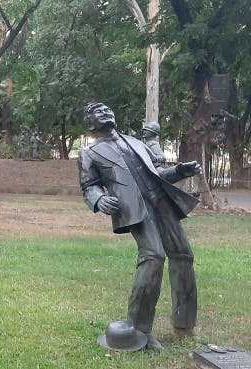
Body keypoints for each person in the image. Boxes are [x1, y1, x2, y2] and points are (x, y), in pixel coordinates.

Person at [78, 102, 201, 351]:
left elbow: (156, 174)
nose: (106, 112)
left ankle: (184, 325)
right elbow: (88, 186)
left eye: (107, 109)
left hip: (162, 202)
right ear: (90, 124)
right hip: (135, 210)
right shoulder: (88, 153)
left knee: (183, 255)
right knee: (153, 256)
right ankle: (140, 331)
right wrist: (99, 199)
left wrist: (179, 171)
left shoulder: (135, 142)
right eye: (98, 112)